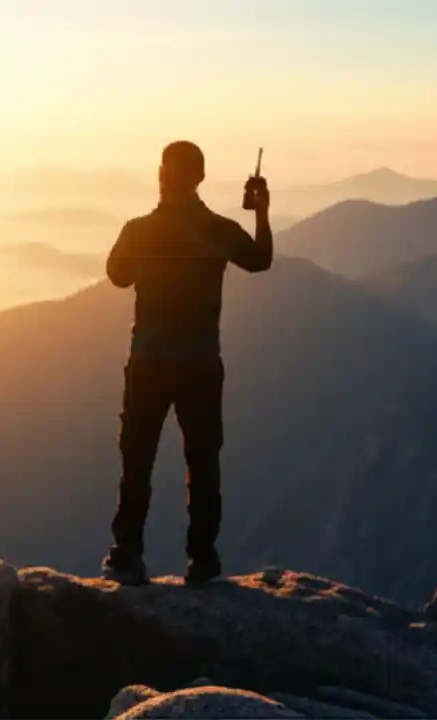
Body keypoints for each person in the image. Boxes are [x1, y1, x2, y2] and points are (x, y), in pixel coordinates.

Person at [103, 140, 273, 587]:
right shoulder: (217, 229)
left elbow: (118, 275)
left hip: (149, 361)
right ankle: (202, 558)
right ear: (199, 178)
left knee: (137, 457)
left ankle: (126, 554)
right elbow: (260, 261)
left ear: (162, 175)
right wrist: (261, 211)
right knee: (202, 459)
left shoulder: (140, 229)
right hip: (200, 363)